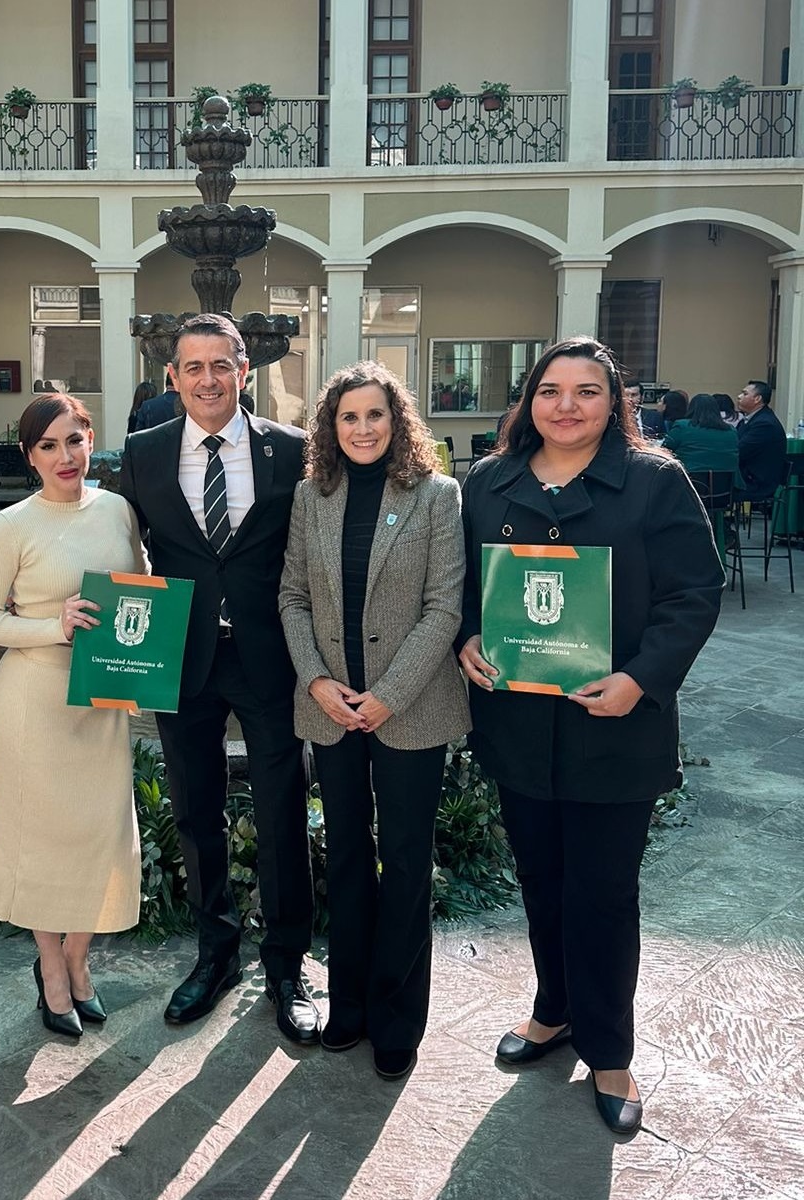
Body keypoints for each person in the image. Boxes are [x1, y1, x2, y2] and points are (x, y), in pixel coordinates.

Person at [456, 335, 723, 1134]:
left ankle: (609, 1050)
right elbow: (463, 587)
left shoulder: (653, 481)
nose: (566, 406)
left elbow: (693, 593)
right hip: (519, 724)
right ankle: (555, 1011)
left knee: (603, 894)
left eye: (587, 391)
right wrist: (467, 638)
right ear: (528, 402)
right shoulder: (489, 483)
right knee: (541, 880)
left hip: (614, 729)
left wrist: (641, 678)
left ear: (615, 404)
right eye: (550, 391)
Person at [118, 313, 319, 1045]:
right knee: (196, 810)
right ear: (172, 376)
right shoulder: (142, 452)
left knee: (281, 811)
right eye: (193, 367)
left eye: (221, 365)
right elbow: (123, 549)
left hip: (269, 656)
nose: (208, 380)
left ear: (244, 370)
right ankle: (216, 954)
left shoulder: (292, 450)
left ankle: (287, 965)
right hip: (182, 658)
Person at [278, 362, 470, 1081]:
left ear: (398, 421)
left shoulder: (436, 495)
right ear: (331, 427)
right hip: (331, 709)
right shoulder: (312, 496)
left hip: (410, 709)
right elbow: (292, 596)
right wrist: (317, 680)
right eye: (349, 417)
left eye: (376, 415)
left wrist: (388, 693)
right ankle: (350, 1004)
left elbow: (444, 607)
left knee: (407, 863)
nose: (363, 428)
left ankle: (396, 1017)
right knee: (349, 859)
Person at [0, 394, 146, 1039]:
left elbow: (140, 587)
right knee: (41, 836)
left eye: (74, 440)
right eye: (48, 445)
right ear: (30, 456)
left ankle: (79, 955)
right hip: (34, 700)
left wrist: (144, 662)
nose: (64, 456)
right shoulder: (12, 525)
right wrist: (54, 625)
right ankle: (51, 965)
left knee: (103, 833)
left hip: (103, 697)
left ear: (90, 439)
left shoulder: (118, 510)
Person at [663, 393, 740, 476]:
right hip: (727, 480)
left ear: (691, 408)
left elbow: (665, 448)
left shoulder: (682, 426)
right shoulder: (731, 430)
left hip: (688, 478)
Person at [735, 379, 786, 500]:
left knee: (714, 486)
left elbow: (739, 451)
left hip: (756, 483)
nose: (739, 396)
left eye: (745, 394)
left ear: (757, 399)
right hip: (747, 477)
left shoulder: (764, 424)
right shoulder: (749, 420)